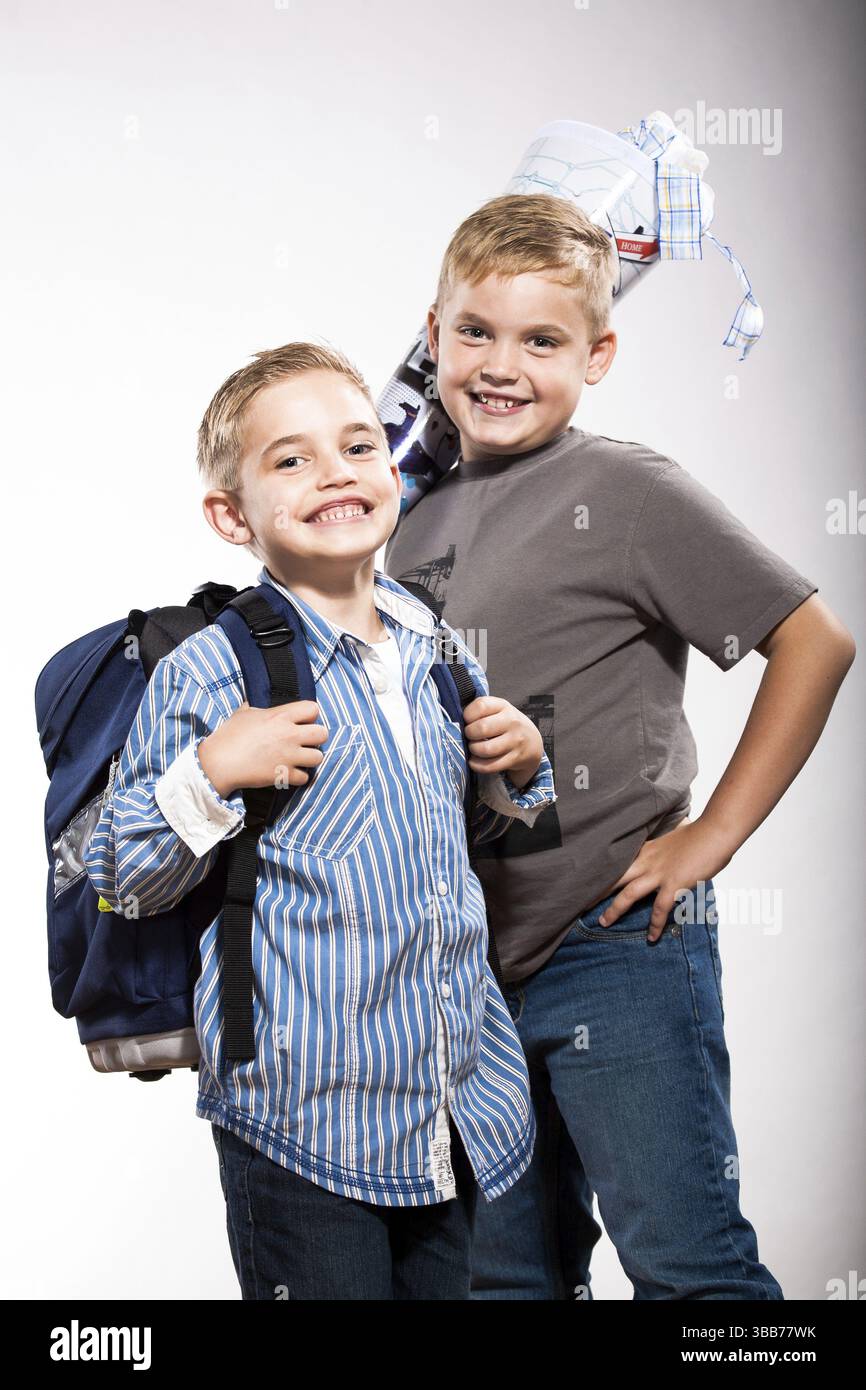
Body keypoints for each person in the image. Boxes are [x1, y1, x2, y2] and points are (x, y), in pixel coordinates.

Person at [384, 193, 856, 1300]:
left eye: (541, 340)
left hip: (615, 938)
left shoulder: (624, 490)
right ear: (433, 336)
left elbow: (813, 643)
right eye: (474, 333)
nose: (501, 365)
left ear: (597, 354)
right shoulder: (405, 517)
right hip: (469, 973)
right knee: (509, 1280)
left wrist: (711, 837)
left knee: (686, 1268)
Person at [83, 341, 556, 1300]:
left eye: (359, 444)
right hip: (303, 1118)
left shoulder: (433, 641)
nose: (336, 472)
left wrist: (523, 767)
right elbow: (119, 870)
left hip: (449, 1101)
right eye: (290, 460)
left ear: (394, 469)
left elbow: (453, 842)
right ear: (232, 515)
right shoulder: (213, 671)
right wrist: (213, 769)